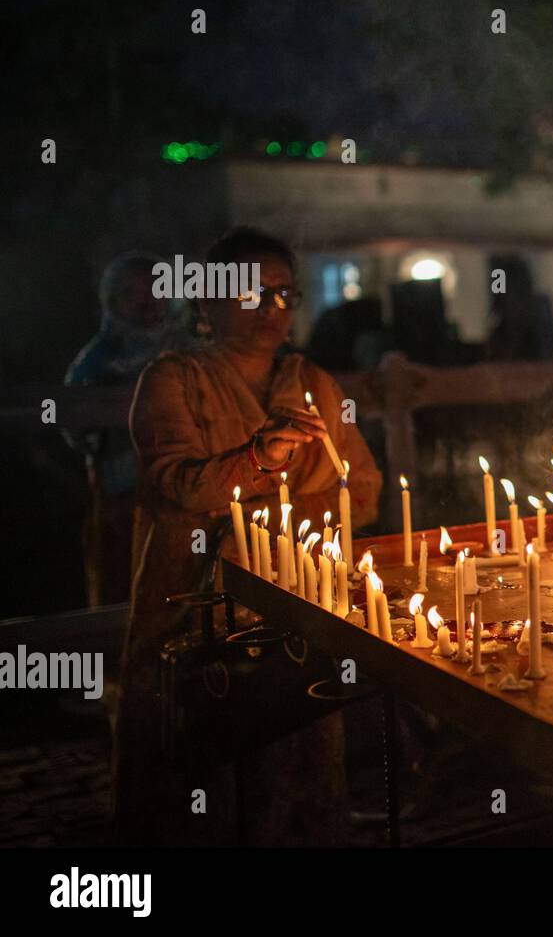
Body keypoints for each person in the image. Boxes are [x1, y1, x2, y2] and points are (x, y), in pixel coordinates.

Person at [111, 228, 382, 845]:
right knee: (192, 765)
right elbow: (179, 485)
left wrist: (262, 515)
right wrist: (258, 461)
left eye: (285, 294)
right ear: (208, 301)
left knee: (294, 759)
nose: (271, 309)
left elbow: (363, 489)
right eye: (252, 293)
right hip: (192, 605)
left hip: (296, 606)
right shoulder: (173, 380)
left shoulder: (315, 385)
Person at [64, 251, 172, 606]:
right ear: (113, 301)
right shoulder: (96, 362)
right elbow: (75, 425)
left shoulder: (182, 351)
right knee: (124, 592)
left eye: (154, 289)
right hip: (121, 500)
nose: (145, 300)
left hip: (179, 495)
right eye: (131, 292)